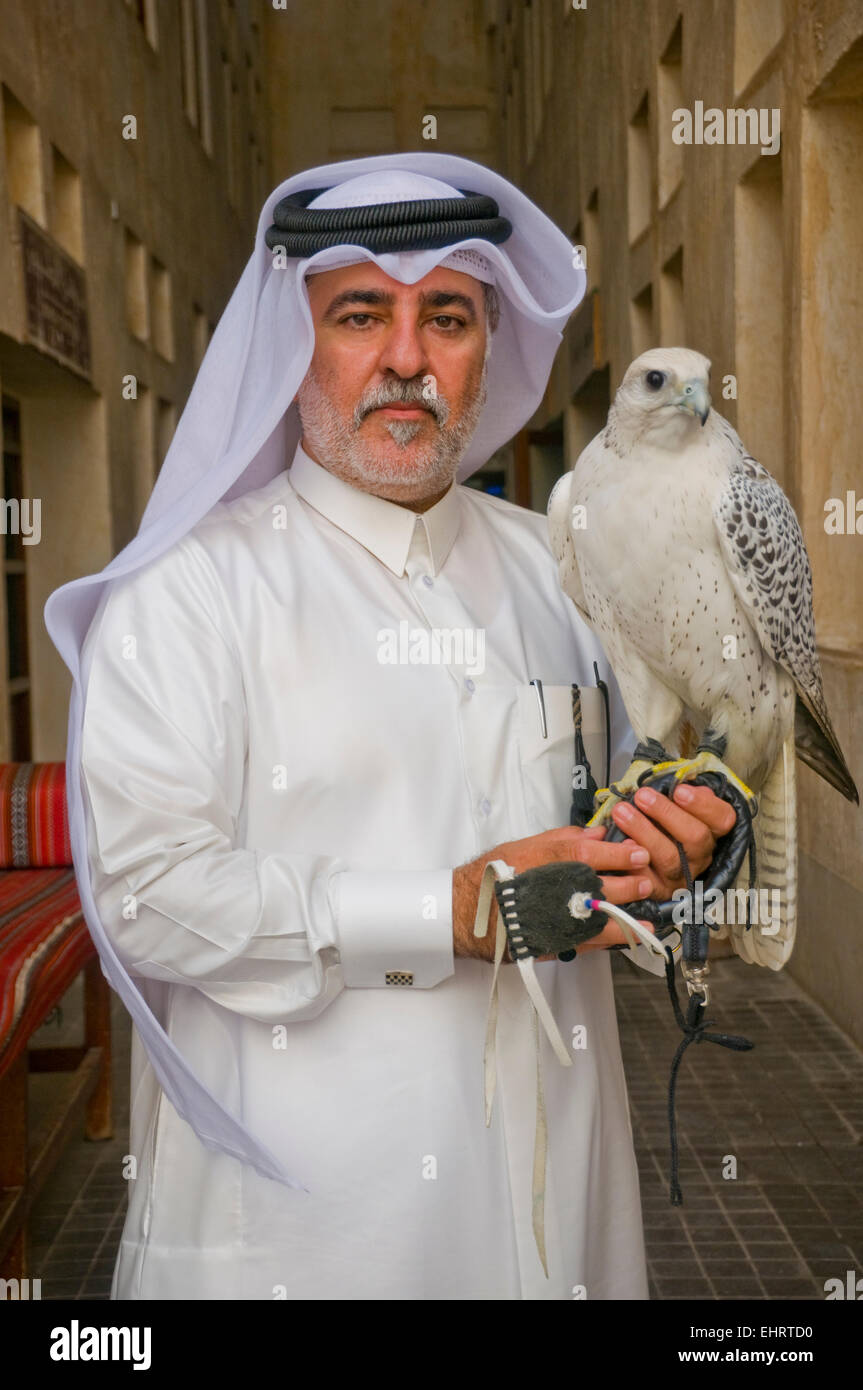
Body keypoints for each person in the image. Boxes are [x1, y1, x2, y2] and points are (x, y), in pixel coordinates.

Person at [46, 156, 734, 1300]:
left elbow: (615, 809)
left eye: (447, 318)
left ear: (485, 349)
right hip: (315, 1230)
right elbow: (145, 895)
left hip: (558, 1196)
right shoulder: (189, 593)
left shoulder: (561, 563)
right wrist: (449, 910)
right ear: (294, 343)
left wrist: (675, 842)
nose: (406, 358)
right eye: (360, 314)